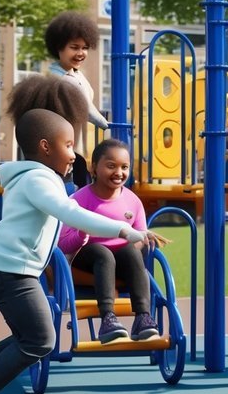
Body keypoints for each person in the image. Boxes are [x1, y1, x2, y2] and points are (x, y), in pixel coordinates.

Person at [0, 108, 155, 394]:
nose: (74, 154)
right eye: (68, 144)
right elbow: (70, 213)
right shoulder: (39, 180)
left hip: (11, 268)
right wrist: (123, 229)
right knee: (41, 340)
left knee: (31, 336)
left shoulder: (35, 176)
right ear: (45, 147)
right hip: (10, 271)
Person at [57, 138, 167, 344]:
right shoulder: (80, 200)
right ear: (94, 168)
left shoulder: (132, 200)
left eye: (124, 167)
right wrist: (82, 233)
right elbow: (63, 244)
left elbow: (140, 236)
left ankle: (143, 316)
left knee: (130, 251)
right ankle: (108, 318)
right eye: (111, 166)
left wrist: (141, 240)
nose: (119, 172)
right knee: (103, 253)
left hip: (120, 260)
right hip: (87, 257)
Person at [46, 10, 108, 187]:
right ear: (59, 48)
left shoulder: (75, 74)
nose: (81, 53)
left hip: (74, 149)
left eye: (85, 48)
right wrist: (109, 126)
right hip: (62, 153)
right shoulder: (62, 79)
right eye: (74, 47)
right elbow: (88, 110)